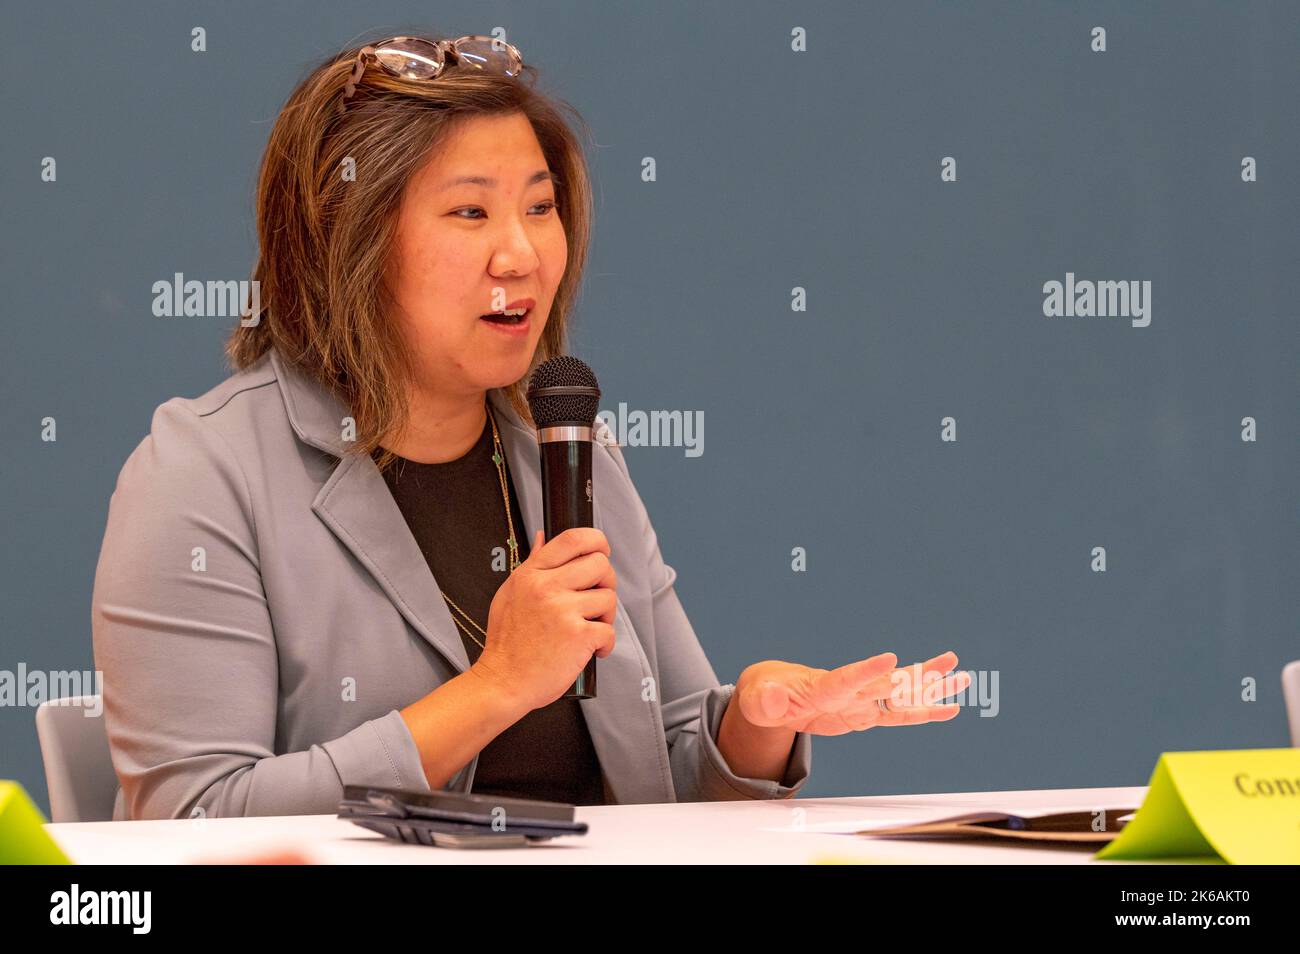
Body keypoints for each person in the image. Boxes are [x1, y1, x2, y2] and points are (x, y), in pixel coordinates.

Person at [92, 33, 970, 821]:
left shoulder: (567, 449)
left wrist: (751, 727)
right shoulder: (201, 477)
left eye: (540, 207)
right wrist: (498, 686)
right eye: (471, 212)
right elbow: (194, 824)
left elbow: (664, 777)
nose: (522, 253)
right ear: (345, 242)